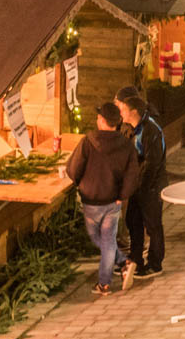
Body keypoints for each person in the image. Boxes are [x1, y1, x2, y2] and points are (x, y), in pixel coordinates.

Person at [66, 102, 140, 295]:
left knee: (98, 238)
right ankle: (124, 263)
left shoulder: (88, 142)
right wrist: (122, 195)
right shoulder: (126, 145)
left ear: (101, 120)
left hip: (92, 200)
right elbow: (133, 174)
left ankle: (105, 283)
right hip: (113, 201)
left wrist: (80, 183)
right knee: (107, 239)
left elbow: (73, 169)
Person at [121, 95, 166, 279]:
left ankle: (155, 264)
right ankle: (136, 259)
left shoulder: (150, 130)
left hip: (151, 186)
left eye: (123, 109)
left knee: (153, 225)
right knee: (133, 220)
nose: (121, 112)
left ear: (134, 112)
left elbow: (152, 163)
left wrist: (142, 186)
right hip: (139, 185)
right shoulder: (135, 128)